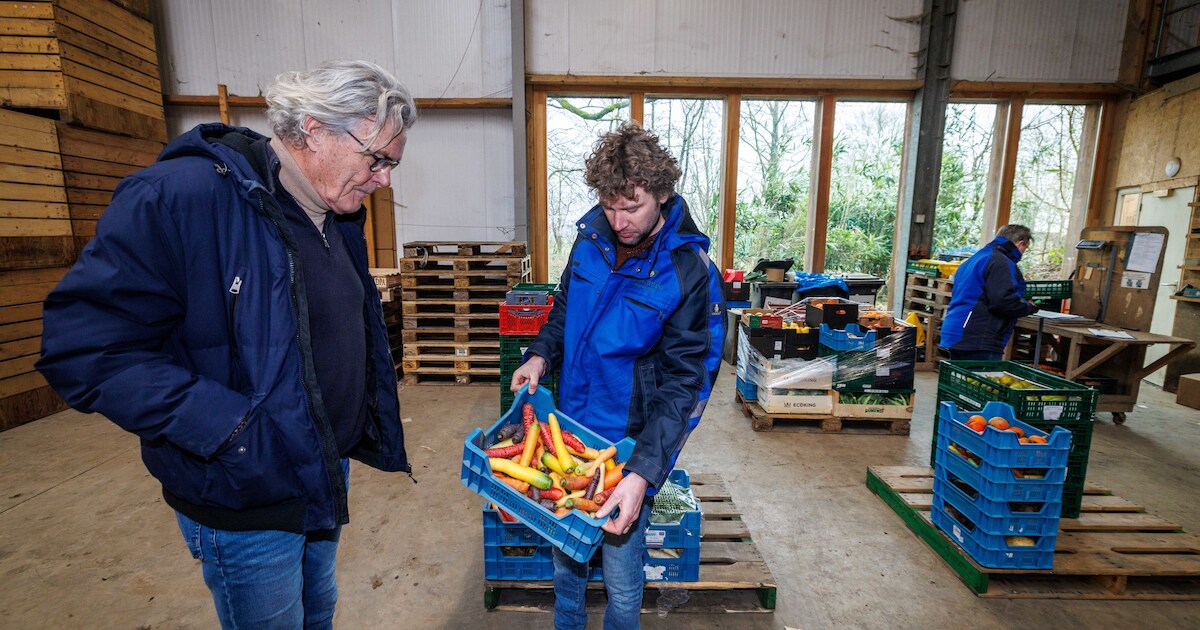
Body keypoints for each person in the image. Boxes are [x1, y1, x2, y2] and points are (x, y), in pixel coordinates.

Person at [36, 60, 416, 628]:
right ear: (314, 129)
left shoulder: (335, 214)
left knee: (318, 612)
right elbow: (83, 349)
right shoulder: (179, 198)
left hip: (321, 470)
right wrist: (230, 428)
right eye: (378, 159)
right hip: (246, 491)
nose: (385, 179)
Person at [510, 122, 725, 629]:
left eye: (632, 207)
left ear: (664, 194)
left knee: (623, 582)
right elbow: (566, 308)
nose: (619, 220)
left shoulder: (689, 272)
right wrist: (541, 353)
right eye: (610, 205)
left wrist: (643, 472)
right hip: (567, 434)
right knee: (567, 569)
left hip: (628, 449)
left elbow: (686, 384)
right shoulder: (588, 241)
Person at [939, 224, 1040, 361]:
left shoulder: (975, 259)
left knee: (960, 380)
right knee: (980, 380)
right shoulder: (1000, 262)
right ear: (1020, 243)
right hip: (977, 336)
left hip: (957, 330)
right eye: (1025, 248)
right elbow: (1003, 301)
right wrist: (1028, 307)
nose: (1023, 253)